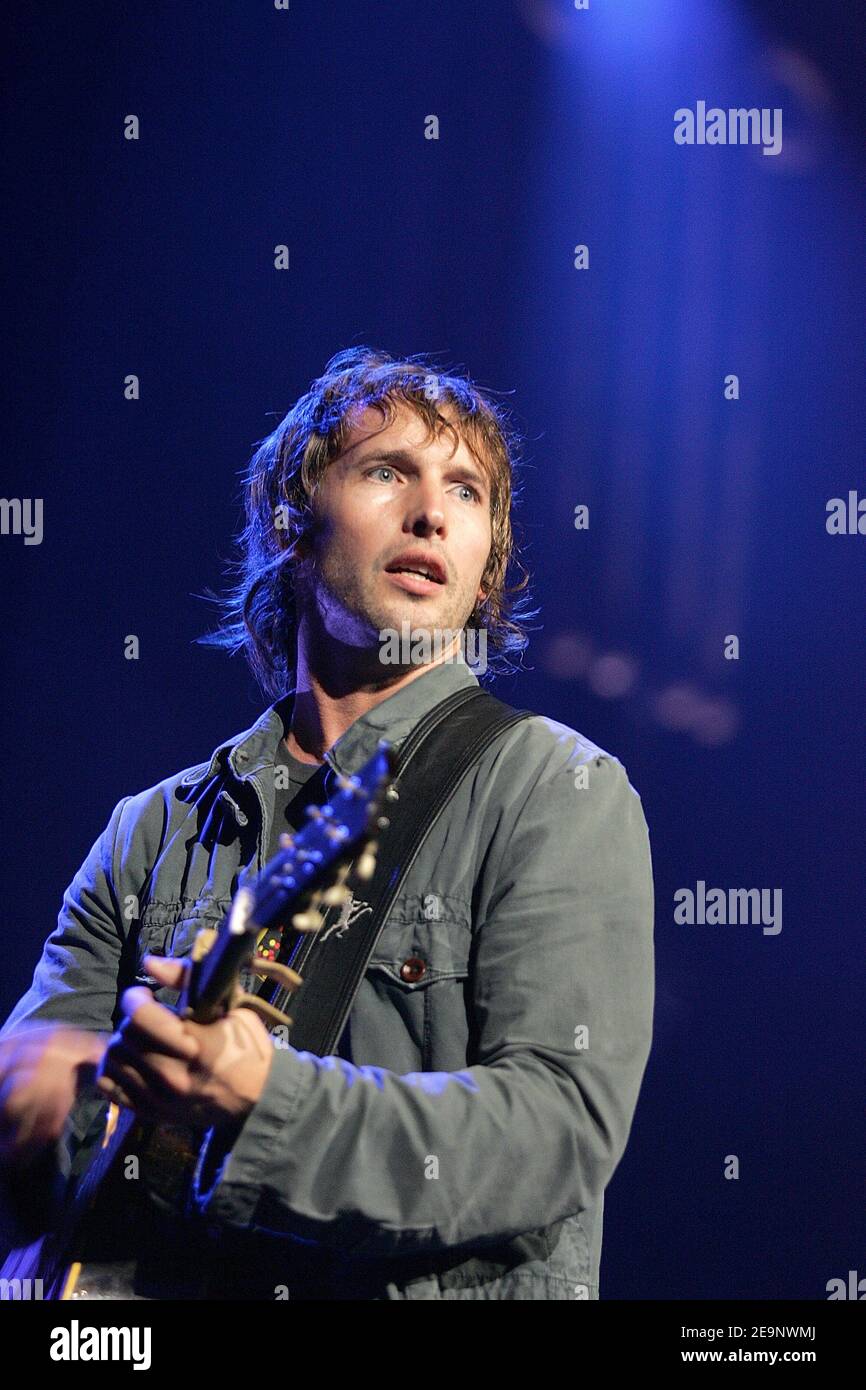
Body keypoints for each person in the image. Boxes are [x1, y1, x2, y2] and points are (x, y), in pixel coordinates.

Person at [0, 347, 655, 1300]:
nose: (431, 512)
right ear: (291, 527)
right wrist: (47, 1097)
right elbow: (45, 1129)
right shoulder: (151, 830)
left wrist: (264, 1102)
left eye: (466, 490)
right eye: (388, 471)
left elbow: (556, 1132)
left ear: (485, 570)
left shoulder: (556, 788)